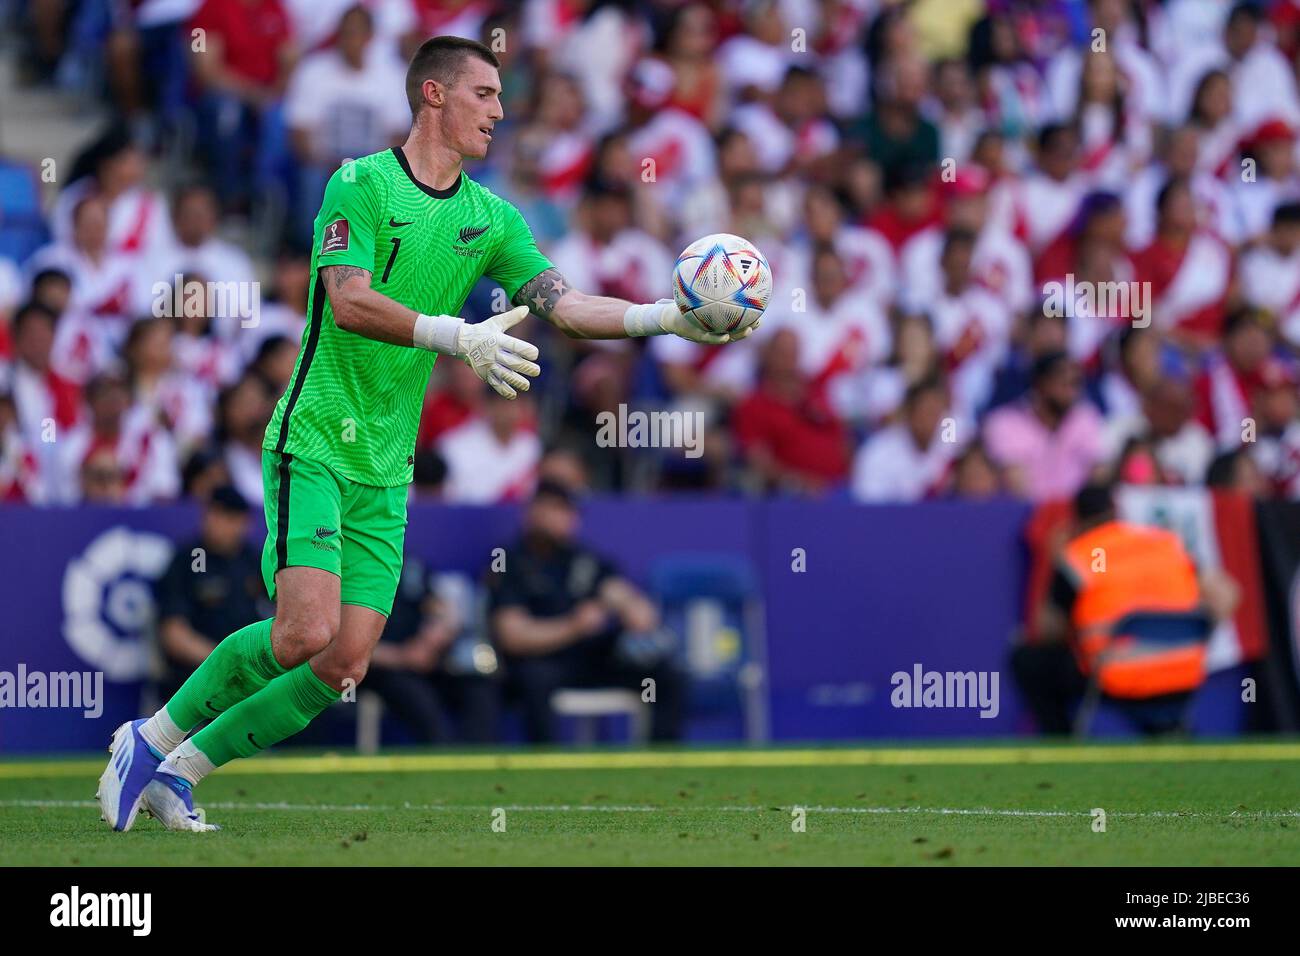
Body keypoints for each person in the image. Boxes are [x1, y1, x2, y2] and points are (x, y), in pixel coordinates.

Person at [99, 36, 760, 833]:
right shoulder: (360, 184)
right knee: (302, 629)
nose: (500, 109)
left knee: (344, 661)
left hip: (387, 463)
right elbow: (348, 299)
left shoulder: (491, 218)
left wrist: (666, 318)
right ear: (434, 96)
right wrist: (457, 336)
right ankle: (150, 738)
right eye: (485, 93)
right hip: (313, 435)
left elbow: (565, 303)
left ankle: (182, 772)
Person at [1010, 483, 1239, 735]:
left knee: (1026, 660)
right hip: (1182, 673)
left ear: (1077, 522)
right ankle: (1167, 729)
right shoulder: (1165, 544)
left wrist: (1054, 561)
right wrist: (1198, 634)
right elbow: (1228, 596)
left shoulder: (1080, 555)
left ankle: (1062, 743)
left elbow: (1047, 632)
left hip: (1116, 677)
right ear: (1117, 509)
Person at [489, 481, 684, 744]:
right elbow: (512, 636)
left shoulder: (586, 560)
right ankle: (546, 767)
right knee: (534, 679)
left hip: (591, 659)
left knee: (666, 675)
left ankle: (661, 763)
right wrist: (573, 626)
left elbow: (631, 604)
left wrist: (630, 608)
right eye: (555, 510)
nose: (565, 519)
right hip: (540, 662)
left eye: (569, 512)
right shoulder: (507, 562)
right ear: (532, 513)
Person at [153, 486, 269, 701]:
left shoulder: (255, 560)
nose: (216, 523)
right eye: (212, 513)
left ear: (244, 523)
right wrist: (224, 663)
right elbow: (174, 634)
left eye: (228, 517)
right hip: (196, 679)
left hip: (250, 679)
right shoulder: (187, 559)